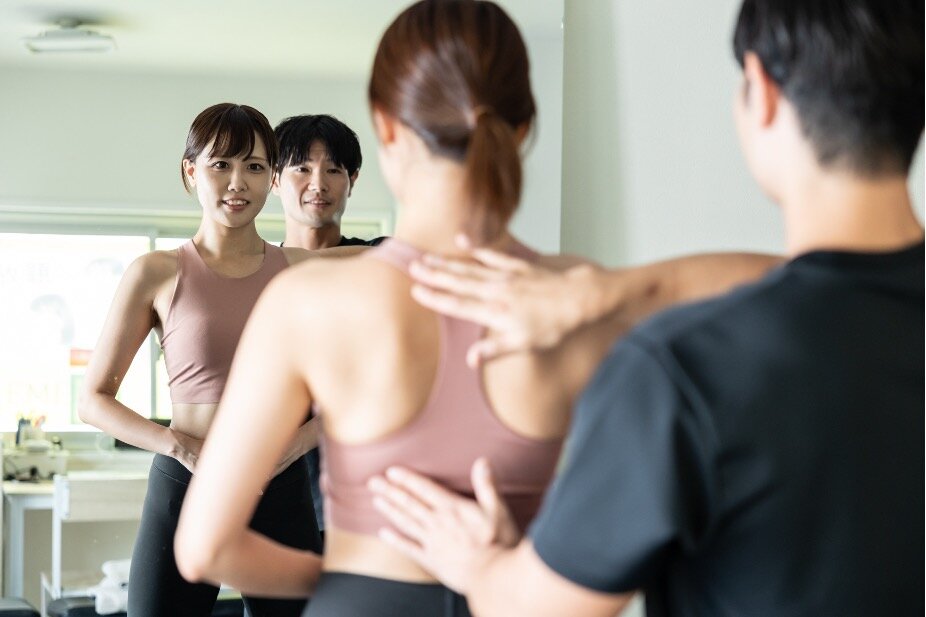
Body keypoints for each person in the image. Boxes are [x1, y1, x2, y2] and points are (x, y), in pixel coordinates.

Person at [368, 0, 925, 615]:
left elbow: (539, 608)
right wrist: (608, 290)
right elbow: (813, 281)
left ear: (761, 92)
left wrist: (483, 566)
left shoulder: (680, 371)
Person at [79, 103, 353, 617]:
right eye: (221, 164)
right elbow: (93, 400)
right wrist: (178, 446)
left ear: (271, 177)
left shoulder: (303, 271)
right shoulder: (155, 272)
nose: (237, 182)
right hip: (186, 483)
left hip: (279, 486)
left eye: (254, 166)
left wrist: (294, 445)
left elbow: (356, 390)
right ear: (191, 172)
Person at [273, 113, 387, 543]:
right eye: (302, 169)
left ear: (352, 180)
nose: (318, 184)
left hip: (365, 497)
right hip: (270, 493)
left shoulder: (380, 263)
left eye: (334, 170)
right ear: (274, 180)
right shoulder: (248, 277)